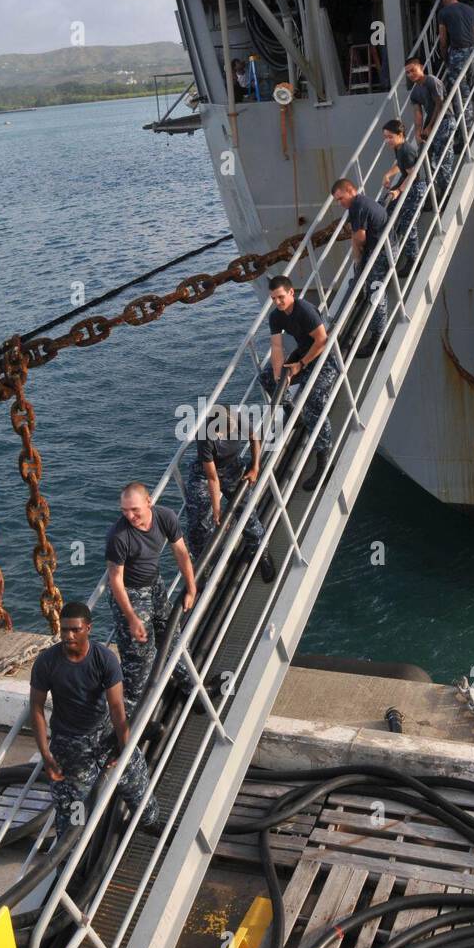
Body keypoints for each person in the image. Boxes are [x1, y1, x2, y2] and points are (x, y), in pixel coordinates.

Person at [30, 601, 161, 839]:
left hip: (105, 731)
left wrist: (124, 747)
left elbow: (116, 706)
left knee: (136, 780)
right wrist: (46, 755)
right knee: (72, 808)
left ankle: (150, 823)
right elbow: (36, 708)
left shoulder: (104, 659)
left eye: (75, 630)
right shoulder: (46, 663)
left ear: (88, 628)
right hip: (70, 742)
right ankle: (69, 865)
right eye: (64, 629)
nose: (68, 636)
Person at [106, 482, 197, 713]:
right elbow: (116, 581)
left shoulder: (165, 517)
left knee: (171, 635)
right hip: (130, 594)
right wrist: (132, 617)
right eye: (124, 511)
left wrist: (191, 588)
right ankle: (131, 719)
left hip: (154, 585)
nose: (130, 516)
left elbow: (181, 552)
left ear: (149, 502)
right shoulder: (119, 536)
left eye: (134, 509)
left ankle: (188, 686)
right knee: (139, 659)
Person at [259, 276, 338, 493]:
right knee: (266, 377)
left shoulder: (304, 310)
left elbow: (322, 340)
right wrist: (278, 374)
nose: (277, 302)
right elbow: (276, 347)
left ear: (291, 293)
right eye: (273, 298)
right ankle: (295, 414)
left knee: (312, 399)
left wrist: (300, 365)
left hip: (323, 359)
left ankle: (324, 460)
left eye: (281, 297)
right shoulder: (276, 316)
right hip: (303, 355)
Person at [184, 404, 275, 581]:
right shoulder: (204, 437)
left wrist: (255, 467)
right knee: (198, 519)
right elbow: (212, 478)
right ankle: (205, 564)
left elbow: (254, 438)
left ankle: (260, 551)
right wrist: (217, 510)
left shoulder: (237, 418)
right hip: (206, 473)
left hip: (231, 467)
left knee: (247, 512)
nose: (226, 433)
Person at [330, 179, 392, 359]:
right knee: (371, 289)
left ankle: (378, 340)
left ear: (350, 190)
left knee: (376, 295)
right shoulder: (360, 203)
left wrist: (357, 258)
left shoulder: (358, 206)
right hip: (382, 248)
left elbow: (360, 238)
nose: (339, 203)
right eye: (337, 200)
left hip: (380, 254)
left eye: (340, 198)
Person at [381, 119, 427, 272]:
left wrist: (398, 191)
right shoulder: (398, 147)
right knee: (385, 207)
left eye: (390, 137)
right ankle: (389, 248)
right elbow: (400, 166)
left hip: (415, 189)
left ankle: (414, 261)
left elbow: (412, 175)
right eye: (385, 137)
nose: (387, 141)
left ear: (400, 135)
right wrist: (387, 174)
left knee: (408, 225)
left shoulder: (405, 150)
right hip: (407, 184)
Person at [405, 57, 455, 198]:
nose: (410, 75)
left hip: (445, 121)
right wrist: (418, 131)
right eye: (408, 73)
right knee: (425, 157)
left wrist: (430, 127)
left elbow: (440, 104)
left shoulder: (431, 81)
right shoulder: (415, 92)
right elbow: (418, 113)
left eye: (413, 70)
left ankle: (447, 195)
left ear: (421, 67)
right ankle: (434, 193)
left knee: (443, 161)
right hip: (433, 124)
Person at [438, 0, 474, 125]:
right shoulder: (470, 9)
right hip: (472, 51)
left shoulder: (444, 12)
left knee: (461, 91)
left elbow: (443, 39)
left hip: (457, 53)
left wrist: (445, 57)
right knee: (467, 85)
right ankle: (466, 122)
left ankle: (467, 126)